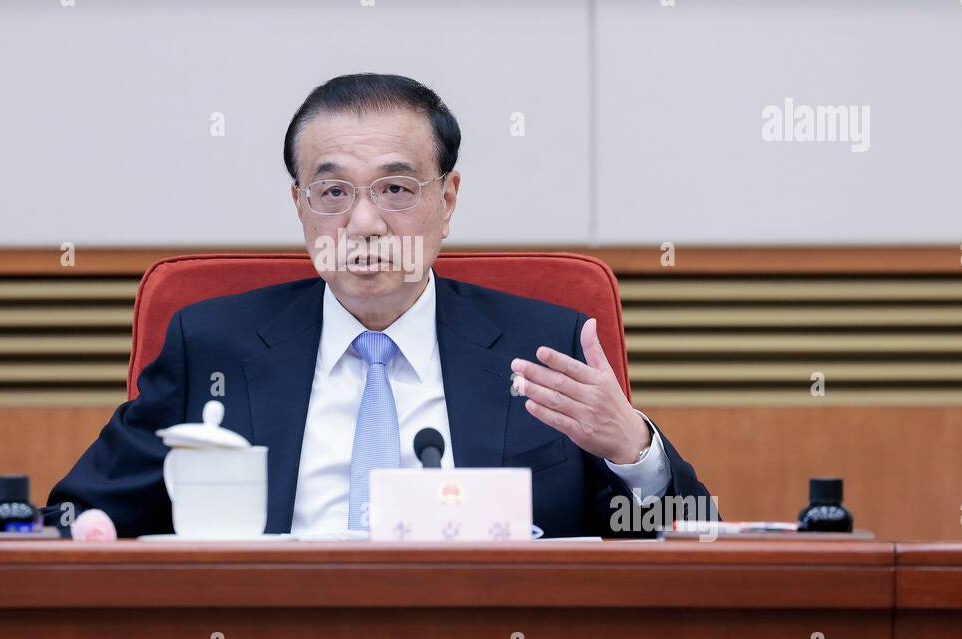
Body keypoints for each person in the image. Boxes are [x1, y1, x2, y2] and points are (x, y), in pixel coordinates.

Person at [46, 73, 713, 537]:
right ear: (300, 207)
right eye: (333, 193)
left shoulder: (545, 347)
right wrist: (95, 532)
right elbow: (79, 515)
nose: (363, 223)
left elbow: (681, 539)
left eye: (395, 189)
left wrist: (634, 452)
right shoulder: (213, 346)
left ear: (446, 201)